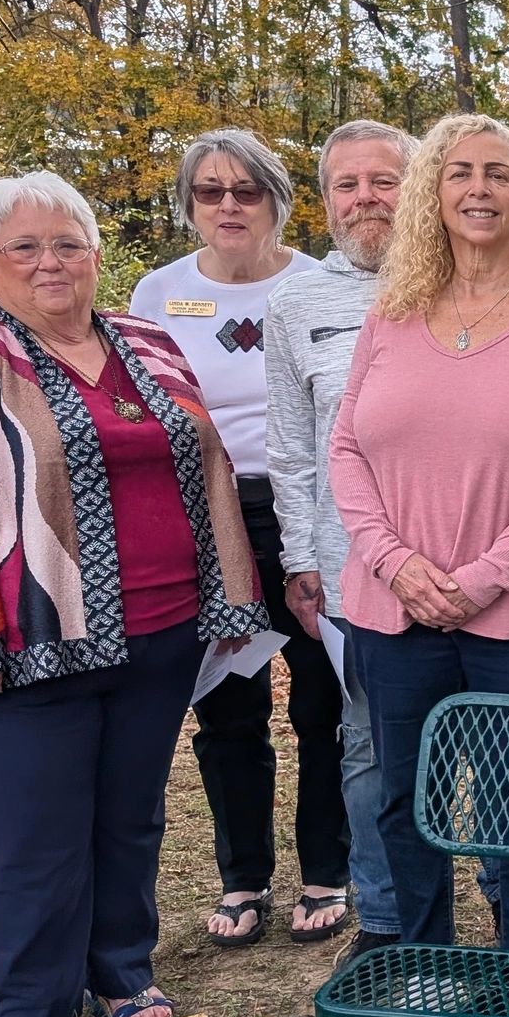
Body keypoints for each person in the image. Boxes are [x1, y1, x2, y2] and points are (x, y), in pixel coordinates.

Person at [0, 173, 268, 1017]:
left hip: (160, 631)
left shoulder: (149, 345)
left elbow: (208, 471)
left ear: (98, 255)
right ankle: (26, 1007)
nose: (49, 262)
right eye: (24, 247)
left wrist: (226, 600)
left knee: (130, 818)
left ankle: (121, 972)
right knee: (36, 828)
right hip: (28, 642)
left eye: (67, 243)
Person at [329, 114, 509, 950]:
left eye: (500, 173)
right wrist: (395, 563)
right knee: (405, 801)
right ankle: (424, 959)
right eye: (459, 173)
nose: (479, 189)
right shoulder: (392, 312)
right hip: (394, 609)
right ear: (432, 193)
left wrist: (484, 577)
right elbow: (345, 446)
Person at [130, 129, 342, 949]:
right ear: (188, 204)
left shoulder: (321, 284)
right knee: (228, 706)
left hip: (308, 511)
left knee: (324, 699)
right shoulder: (158, 293)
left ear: (277, 202)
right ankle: (242, 875)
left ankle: (327, 866)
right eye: (210, 190)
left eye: (246, 190)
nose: (228, 205)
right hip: (208, 518)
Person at [266, 118, 416, 956]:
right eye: (346, 185)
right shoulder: (297, 304)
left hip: (469, 562)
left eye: (383, 180)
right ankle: (387, 918)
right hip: (349, 567)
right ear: (325, 202)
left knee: (489, 742)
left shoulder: (464, 276)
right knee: (367, 747)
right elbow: (289, 449)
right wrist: (298, 557)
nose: (366, 199)